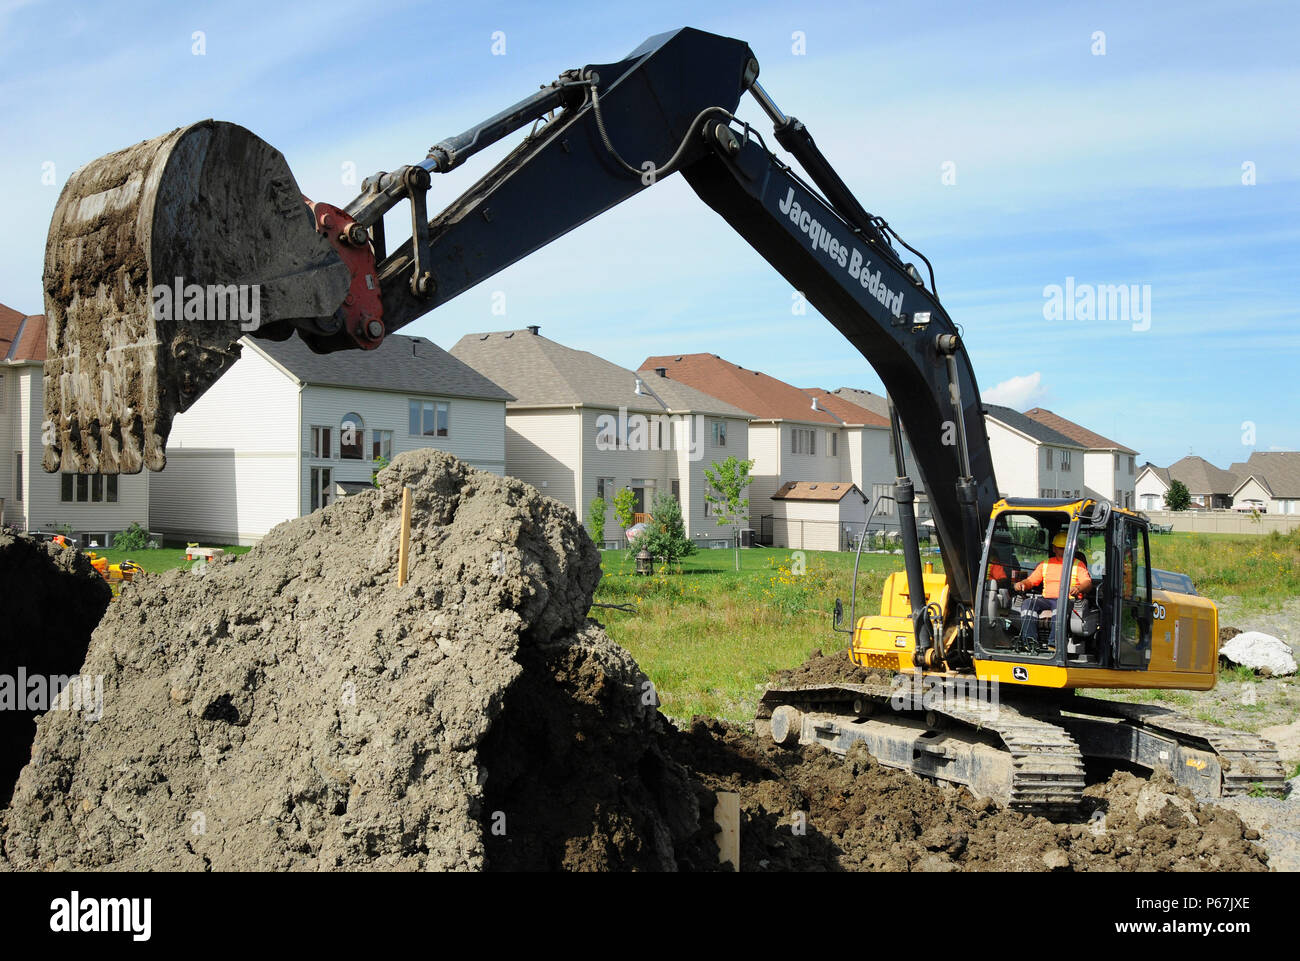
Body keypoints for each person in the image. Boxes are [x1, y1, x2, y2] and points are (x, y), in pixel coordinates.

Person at [1013, 532, 1092, 645]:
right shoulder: (1045, 564)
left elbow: (1087, 583)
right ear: (1054, 548)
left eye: (1066, 548)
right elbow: (1031, 581)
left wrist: (1078, 588)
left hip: (1068, 600)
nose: (1063, 551)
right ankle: (1030, 641)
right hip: (1047, 599)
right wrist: (1022, 584)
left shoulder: (1078, 565)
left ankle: (1054, 643)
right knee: (1027, 603)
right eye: (1060, 548)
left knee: (1059, 606)